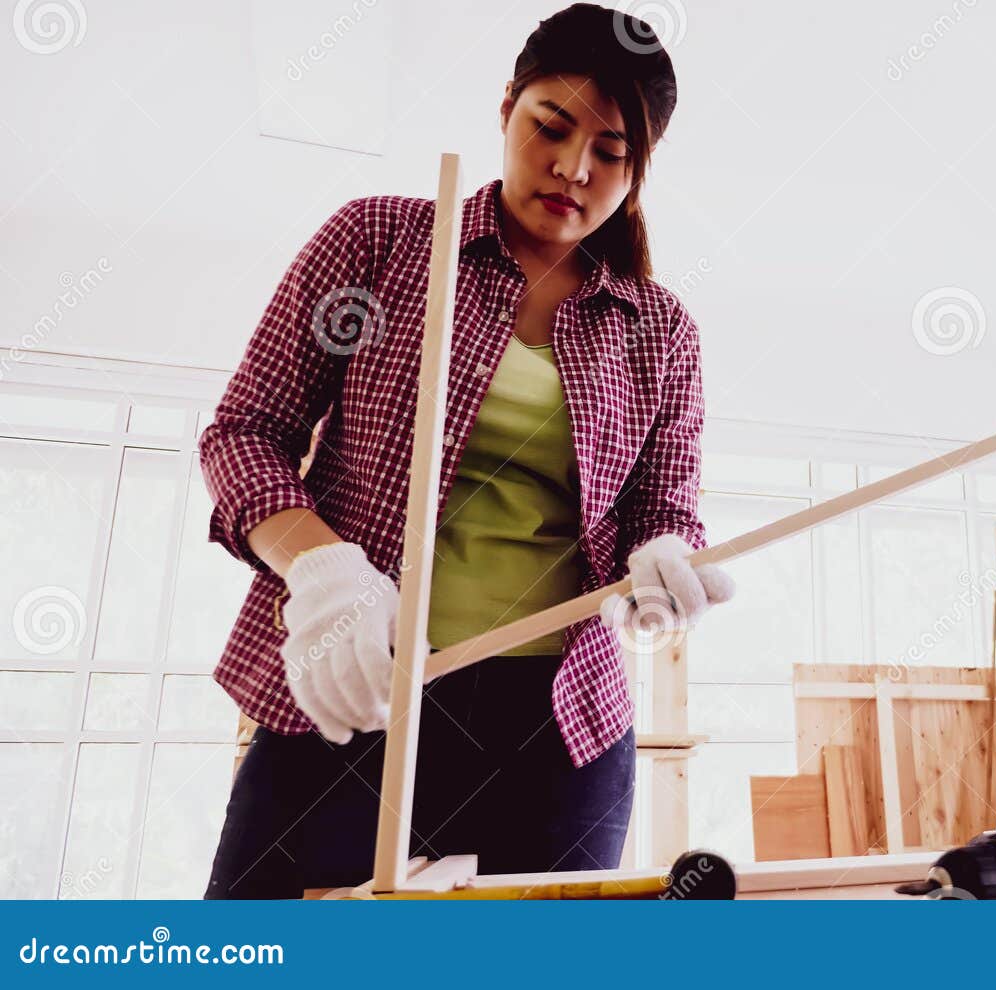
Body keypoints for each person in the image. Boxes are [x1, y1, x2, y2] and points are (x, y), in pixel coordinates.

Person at [200, 2, 732, 899]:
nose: (573, 168)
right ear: (506, 108)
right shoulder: (379, 241)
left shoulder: (661, 330)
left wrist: (667, 559)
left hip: (558, 724)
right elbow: (245, 431)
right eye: (551, 127)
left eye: (612, 152)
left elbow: (665, 511)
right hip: (358, 679)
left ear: (640, 170)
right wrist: (323, 570)